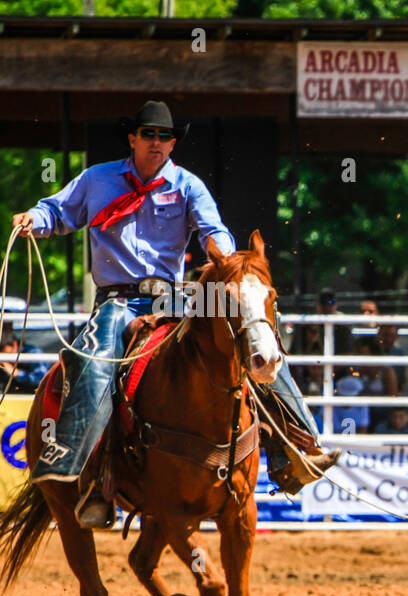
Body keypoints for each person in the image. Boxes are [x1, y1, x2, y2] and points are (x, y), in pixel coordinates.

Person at [11, 100, 338, 527]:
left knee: (257, 344)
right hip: (117, 300)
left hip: (174, 299)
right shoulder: (97, 180)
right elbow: (58, 210)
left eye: (165, 137)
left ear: (171, 144)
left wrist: (225, 260)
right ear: (133, 139)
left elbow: (211, 229)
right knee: (93, 364)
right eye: (149, 135)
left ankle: (296, 448)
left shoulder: (187, 186)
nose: (158, 143)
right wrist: (33, 219)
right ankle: (81, 470)